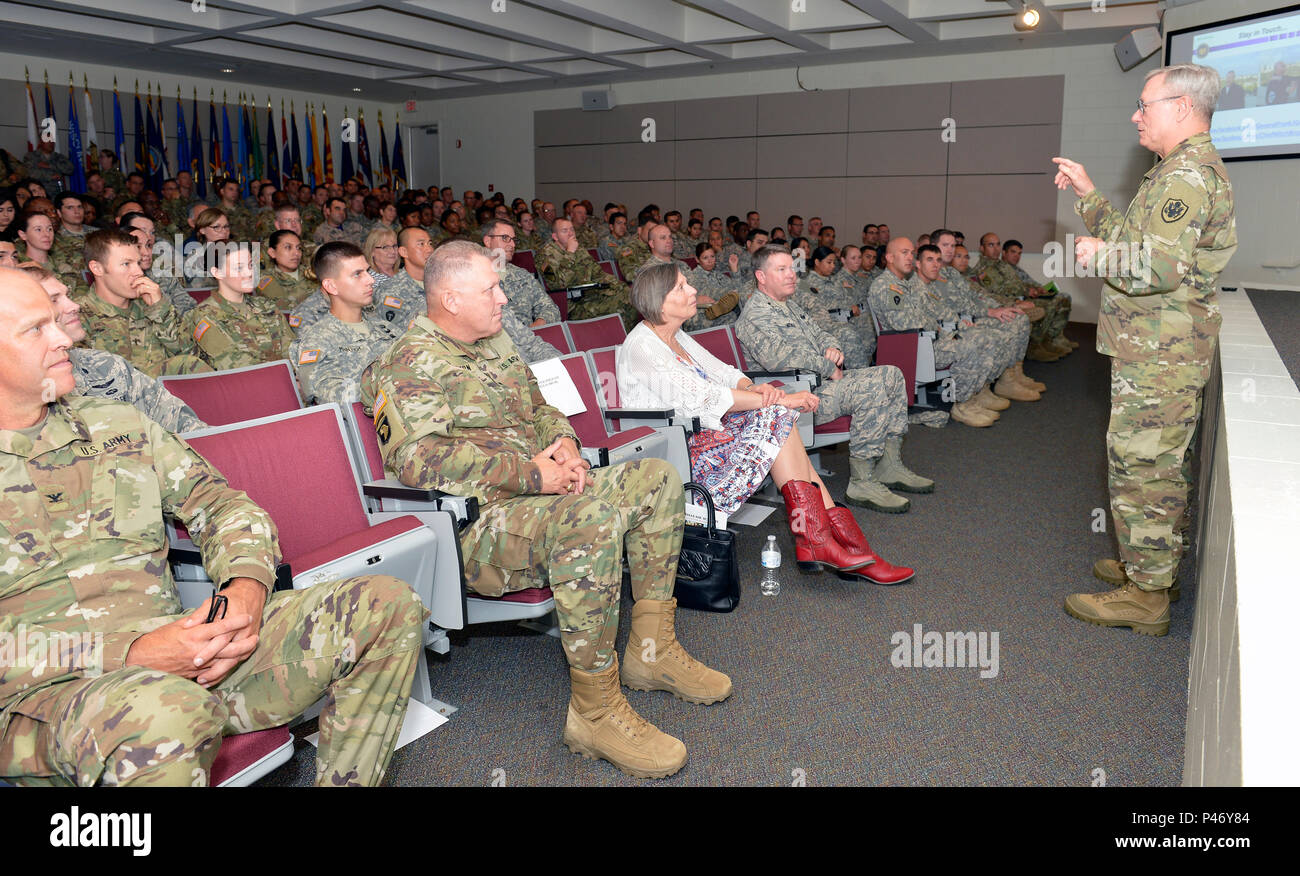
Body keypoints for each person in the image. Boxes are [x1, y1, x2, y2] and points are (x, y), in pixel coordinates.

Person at [0, 266, 427, 786]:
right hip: (43, 697)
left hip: (184, 651)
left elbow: (223, 505)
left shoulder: (114, 422)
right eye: (35, 329)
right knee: (162, 713)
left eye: (57, 321)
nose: (64, 337)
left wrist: (244, 591)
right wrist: (132, 653)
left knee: (384, 605)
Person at [361, 240, 728, 779]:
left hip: (536, 498)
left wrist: (565, 447)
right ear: (450, 299)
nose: (503, 298)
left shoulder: (495, 341)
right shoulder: (408, 364)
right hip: (474, 524)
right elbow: (421, 463)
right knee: (591, 518)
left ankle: (651, 650)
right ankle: (594, 712)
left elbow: (539, 406)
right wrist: (533, 473)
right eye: (490, 288)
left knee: (657, 479)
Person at [1053, 63, 1236, 636]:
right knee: (1158, 464)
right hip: (1159, 350)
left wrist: (1094, 256)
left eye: (1144, 104)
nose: (1135, 115)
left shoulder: (1184, 178)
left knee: (1142, 468)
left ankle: (1147, 596)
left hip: (1161, 355)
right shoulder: (1174, 171)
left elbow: (1154, 266)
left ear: (1181, 107)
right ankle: (1152, 565)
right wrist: (1087, 194)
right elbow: (1137, 239)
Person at [619, 262, 913, 583]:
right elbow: (708, 398)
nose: (693, 291)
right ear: (659, 301)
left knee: (778, 419)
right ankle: (834, 543)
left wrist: (752, 386)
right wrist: (783, 399)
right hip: (676, 455)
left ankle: (836, 543)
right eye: (681, 287)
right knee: (778, 414)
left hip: (705, 436)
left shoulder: (675, 336)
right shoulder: (642, 346)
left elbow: (726, 374)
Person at [736, 245, 933, 514]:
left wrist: (832, 348)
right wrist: (828, 366)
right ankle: (862, 481)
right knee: (871, 387)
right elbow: (781, 360)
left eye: (791, 268)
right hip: (795, 397)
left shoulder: (788, 305)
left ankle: (890, 464)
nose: (791, 275)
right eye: (781, 269)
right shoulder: (756, 314)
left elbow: (823, 332)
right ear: (761, 276)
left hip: (819, 384)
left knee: (892, 374)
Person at [18, 262, 205, 432]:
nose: (74, 305)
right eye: (54, 300)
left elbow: (190, 429)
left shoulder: (105, 366)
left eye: (67, 296)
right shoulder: (13, 394)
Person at [868, 240, 1004, 428]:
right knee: (974, 344)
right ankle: (961, 404)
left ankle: (971, 397)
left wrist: (941, 329)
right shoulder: (887, 287)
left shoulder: (902, 284)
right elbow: (903, 325)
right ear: (890, 257)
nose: (910, 257)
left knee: (986, 337)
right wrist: (938, 329)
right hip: (914, 348)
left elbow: (923, 317)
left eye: (911, 252)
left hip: (927, 341)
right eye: (904, 252)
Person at [291, 243, 401, 405]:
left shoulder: (385, 328)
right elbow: (337, 398)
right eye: (357, 274)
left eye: (367, 271)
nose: (370, 280)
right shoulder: (317, 340)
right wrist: (400, 383)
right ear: (331, 286)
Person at [182, 245, 296, 371]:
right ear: (217, 272)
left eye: (251, 265)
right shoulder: (205, 315)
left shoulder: (265, 305)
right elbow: (234, 365)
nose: (249, 273)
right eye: (239, 268)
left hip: (285, 381)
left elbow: (292, 350)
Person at [481, 218, 560, 326]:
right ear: (488, 241)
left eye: (514, 239)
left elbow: (550, 308)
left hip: (529, 338)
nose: (513, 245)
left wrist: (536, 327)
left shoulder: (521, 275)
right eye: (505, 238)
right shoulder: (474, 276)